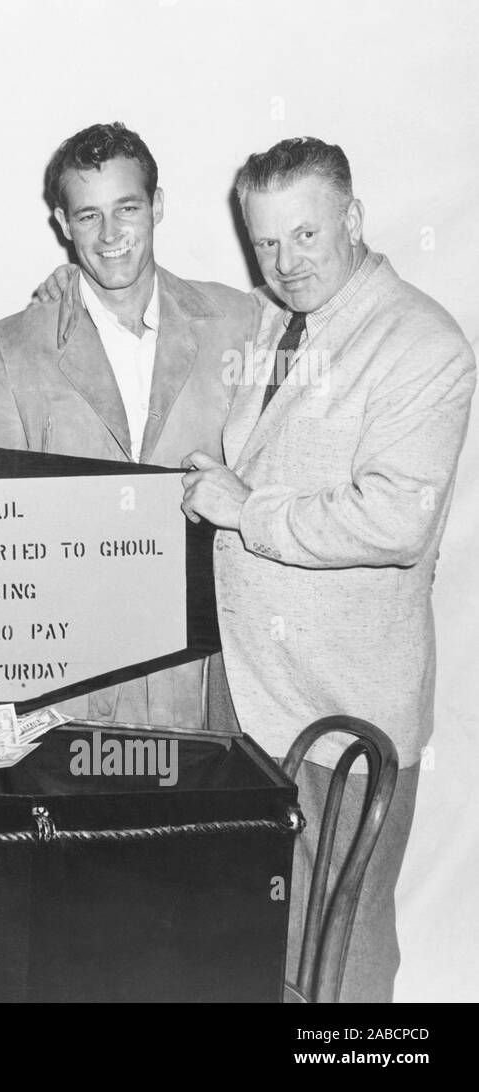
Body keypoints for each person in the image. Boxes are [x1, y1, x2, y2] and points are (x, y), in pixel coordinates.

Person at [181, 137, 475, 1002]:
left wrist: (246, 507)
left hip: (344, 706)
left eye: (305, 236)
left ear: (353, 218)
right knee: (269, 937)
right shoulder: (278, 319)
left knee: (340, 951)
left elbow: (394, 519)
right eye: (266, 243)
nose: (285, 263)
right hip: (255, 695)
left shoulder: (422, 341)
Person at [0, 122, 256, 730]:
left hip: (210, 685)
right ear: (62, 224)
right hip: (70, 689)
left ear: (158, 205)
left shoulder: (240, 322)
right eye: (88, 216)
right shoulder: (11, 348)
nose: (111, 234)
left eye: (127, 208)